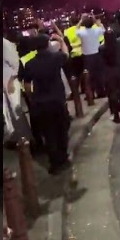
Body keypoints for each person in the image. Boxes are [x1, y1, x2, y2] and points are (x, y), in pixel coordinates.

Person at [19, 36, 72, 173]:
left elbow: (26, 84)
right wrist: (61, 40)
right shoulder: (56, 57)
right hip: (57, 100)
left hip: (40, 103)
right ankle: (62, 157)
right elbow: (66, 53)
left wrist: (32, 97)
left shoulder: (30, 63)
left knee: (49, 133)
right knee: (62, 129)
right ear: (47, 44)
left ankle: (54, 162)